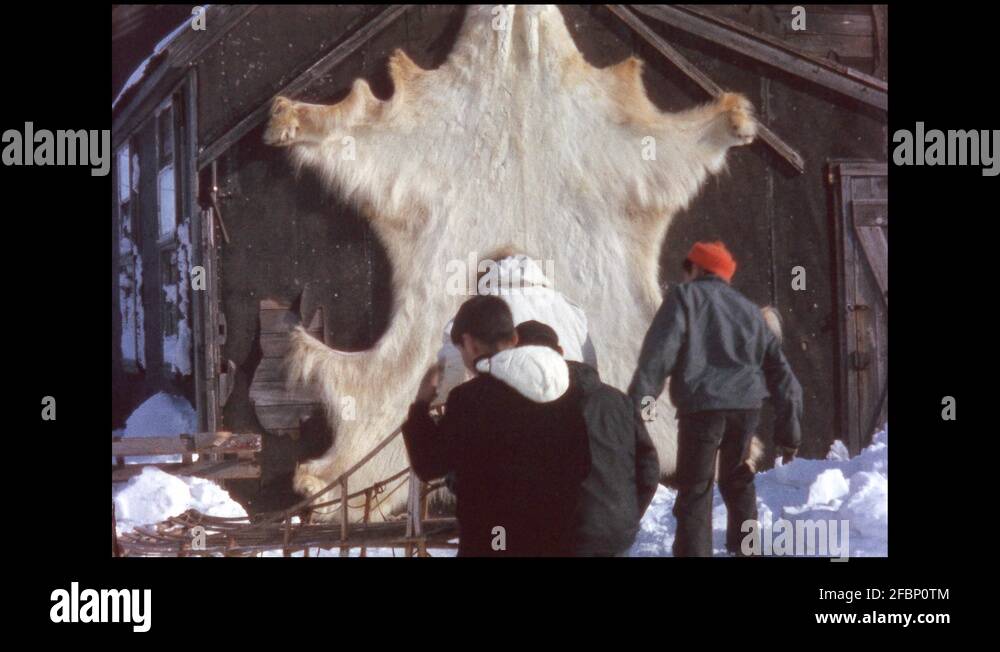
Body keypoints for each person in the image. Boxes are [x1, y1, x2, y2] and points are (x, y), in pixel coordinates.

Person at [628, 241, 803, 557]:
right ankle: (747, 549)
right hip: (746, 407)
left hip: (703, 408)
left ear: (696, 269)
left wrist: (638, 409)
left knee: (696, 489)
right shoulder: (749, 311)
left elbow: (657, 359)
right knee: (738, 480)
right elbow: (784, 376)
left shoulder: (684, 298)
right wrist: (789, 434)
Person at [402, 296, 591, 556]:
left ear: (469, 343)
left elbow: (428, 464)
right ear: (514, 338)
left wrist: (421, 406)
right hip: (557, 543)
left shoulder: (469, 399)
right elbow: (583, 464)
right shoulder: (568, 391)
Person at [516, 320, 660, 557]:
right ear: (560, 353)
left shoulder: (530, 408)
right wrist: (627, 513)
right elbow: (649, 467)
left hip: (564, 535)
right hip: (616, 532)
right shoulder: (619, 401)